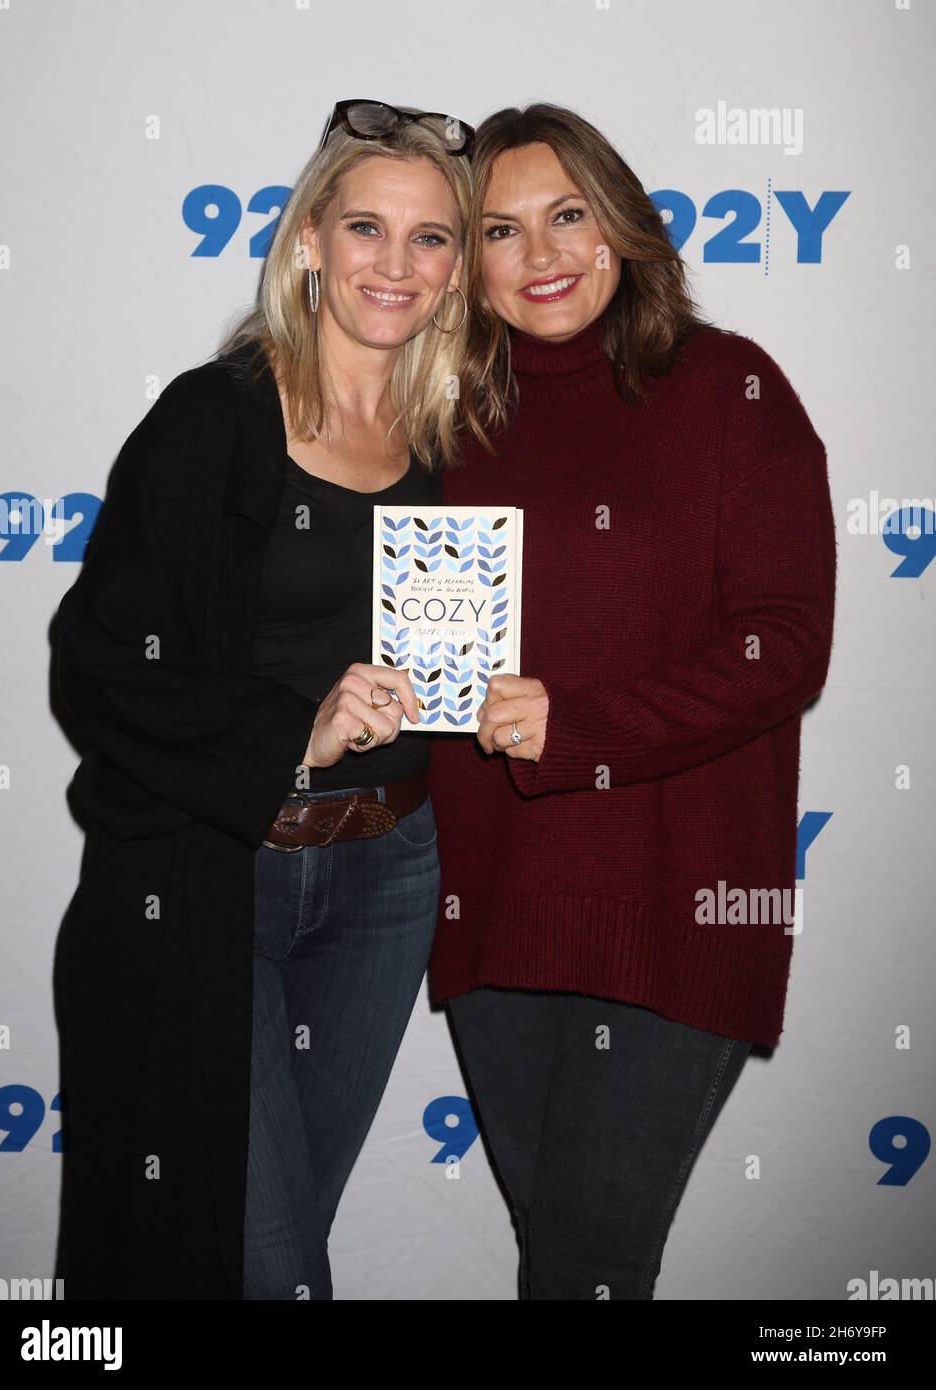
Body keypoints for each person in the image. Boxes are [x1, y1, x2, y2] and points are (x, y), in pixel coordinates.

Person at [53, 100, 473, 1300]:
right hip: (213, 880)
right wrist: (294, 726)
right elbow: (99, 659)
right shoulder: (213, 418)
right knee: (263, 1262)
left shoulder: (454, 434)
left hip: (387, 881)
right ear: (307, 242)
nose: (394, 265)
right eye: (364, 228)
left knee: (273, 1248)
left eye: (431, 239)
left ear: (453, 272)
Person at [427, 103, 837, 1300]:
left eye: (568, 215)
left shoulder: (728, 388)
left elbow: (784, 644)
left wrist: (578, 724)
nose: (542, 255)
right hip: (493, 908)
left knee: (584, 1267)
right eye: (500, 230)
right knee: (561, 1265)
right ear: (469, 261)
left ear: (624, 223)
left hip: (677, 904)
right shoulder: (442, 415)